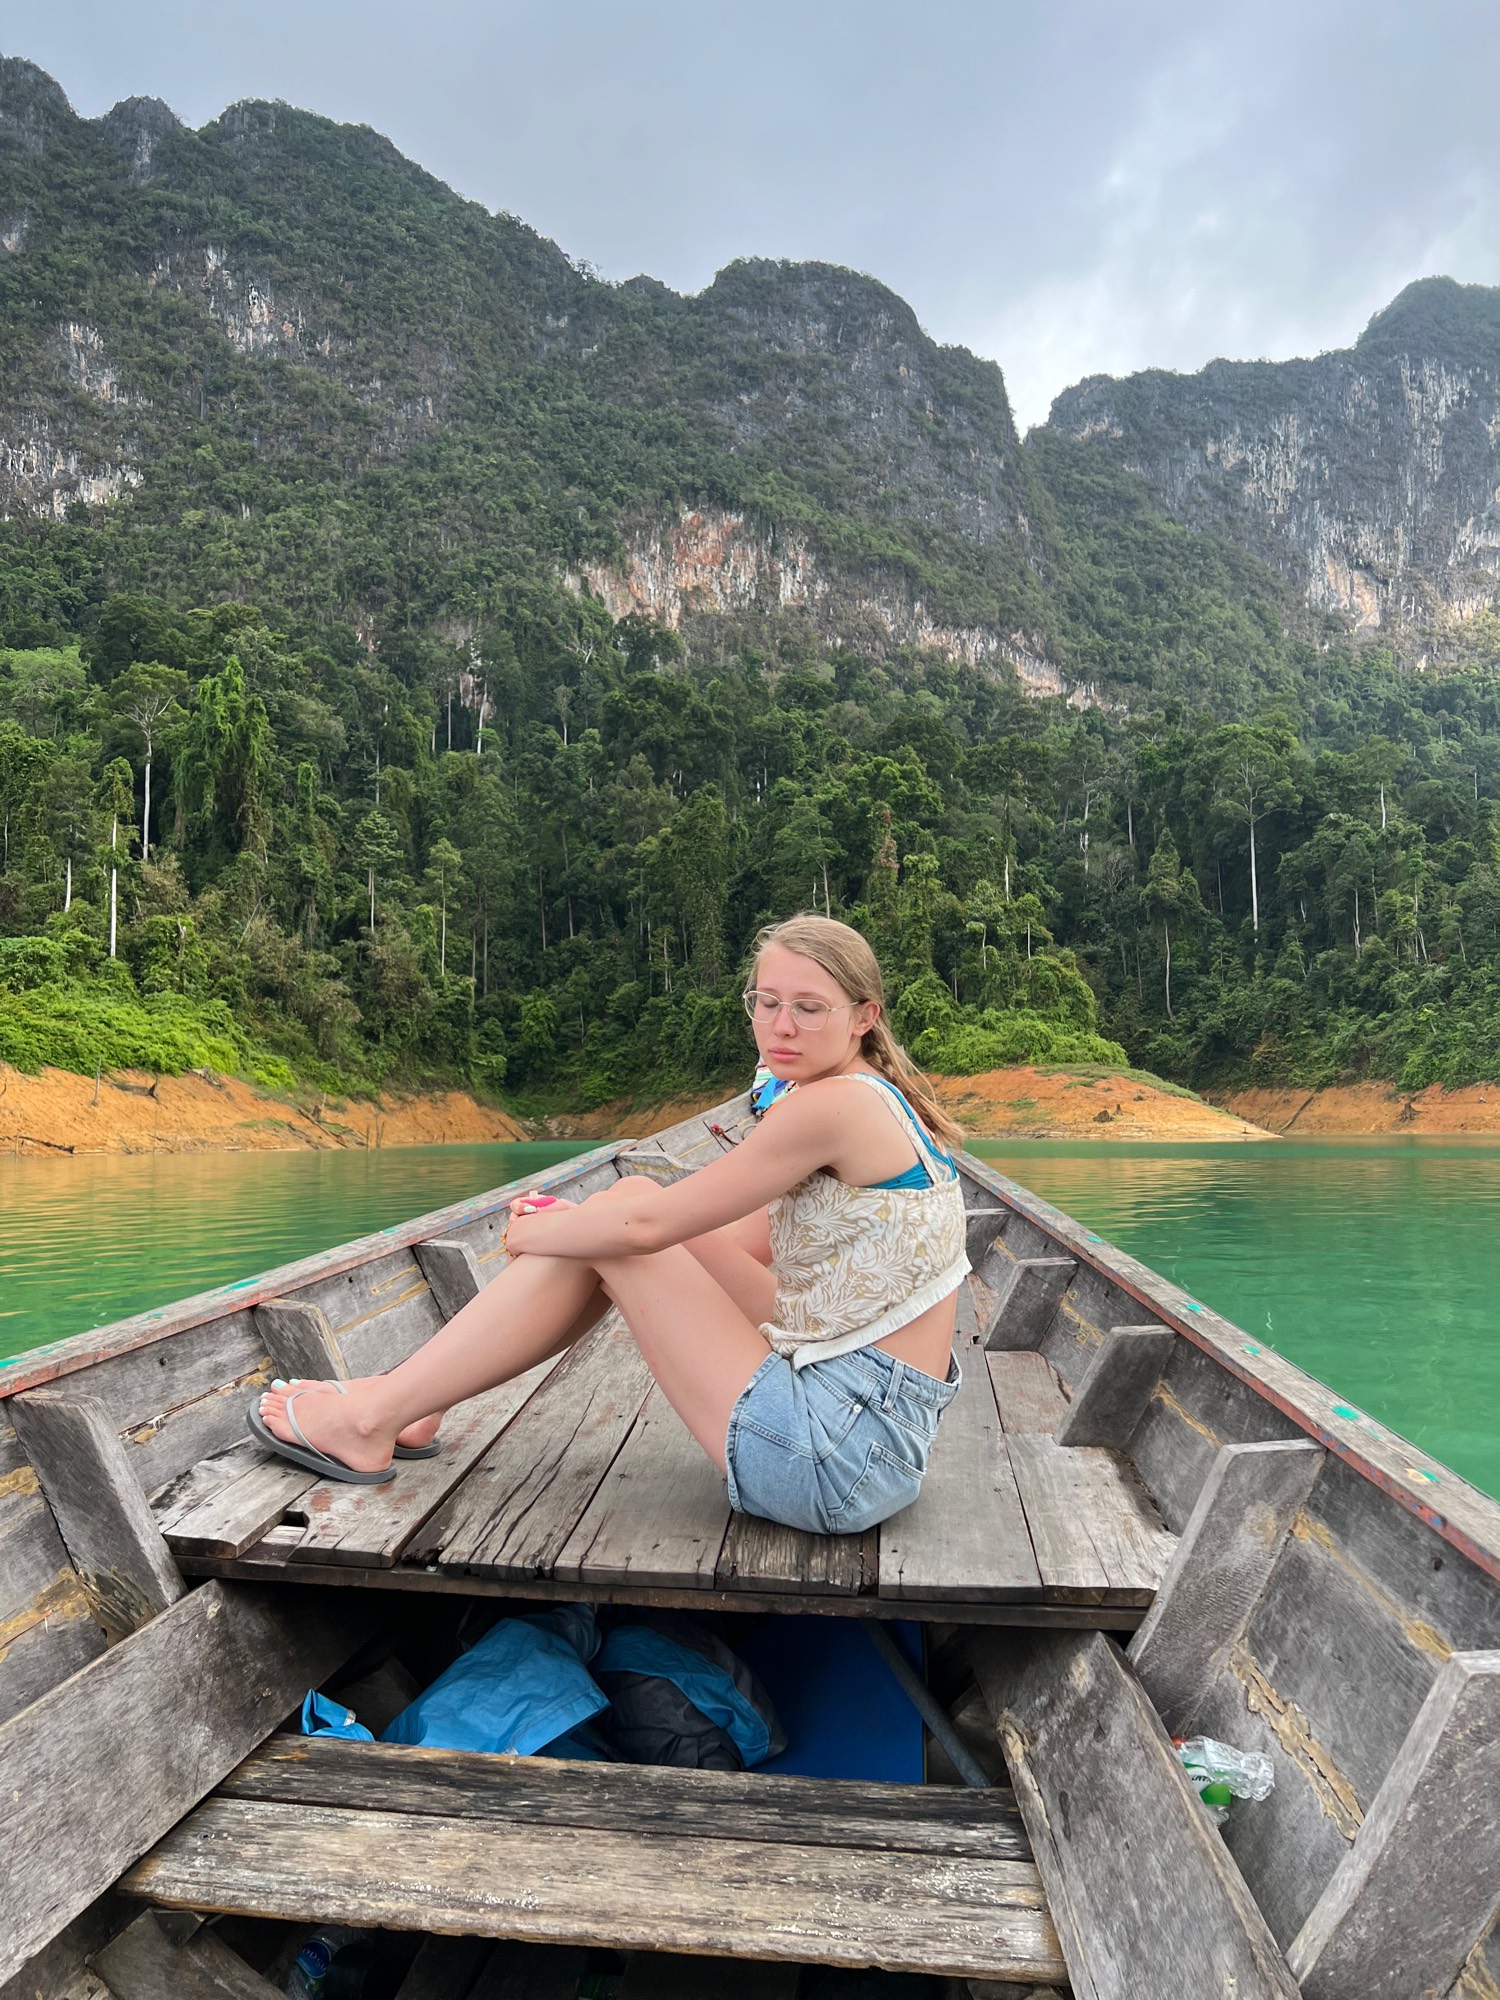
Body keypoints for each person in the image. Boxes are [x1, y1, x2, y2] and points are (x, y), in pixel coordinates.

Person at [250, 914, 970, 1535]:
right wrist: (609, 1218)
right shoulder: (868, 1097)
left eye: (810, 1008)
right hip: (870, 1446)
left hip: (830, 1459)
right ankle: (409, 1405)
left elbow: (652, 1231)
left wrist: (547, 1233)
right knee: (613, 1216)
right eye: (767, 1001)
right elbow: (732, 1251)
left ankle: (376, 1417)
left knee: (615, 1225)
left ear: (864, 1015)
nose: (781, 1026)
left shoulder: (832, 1107)